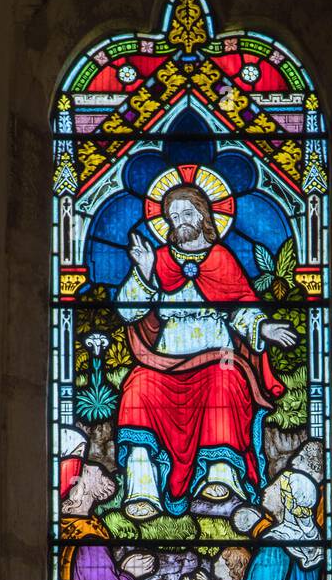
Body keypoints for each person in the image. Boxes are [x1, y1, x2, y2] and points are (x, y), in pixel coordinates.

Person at [114, 183, 296, 517]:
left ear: (203, 215)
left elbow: (241, 306)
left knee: (225, 382)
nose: (179, 221)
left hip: (216, 357)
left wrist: (264, 327)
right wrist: (143, 271)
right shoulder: (159, 261)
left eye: (186, 213)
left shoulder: (222, 259)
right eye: (173, 216)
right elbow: (129, 312)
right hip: (164, 362)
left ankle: (220, 478)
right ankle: (142, 487)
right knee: (136, 387)